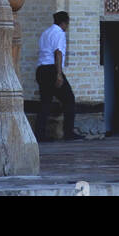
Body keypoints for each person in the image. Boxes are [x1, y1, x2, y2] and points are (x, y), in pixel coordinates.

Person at [35, 11, 84, 141]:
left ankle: (39, 135)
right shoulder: (59, 33)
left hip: (41, 69)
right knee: (69, 99)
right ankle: (68, 132)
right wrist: (59, 74)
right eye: (67, 24)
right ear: (64, 23)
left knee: (45, 103)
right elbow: (58, 53)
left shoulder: (45, 33)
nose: (67, 27)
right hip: (52, 70)